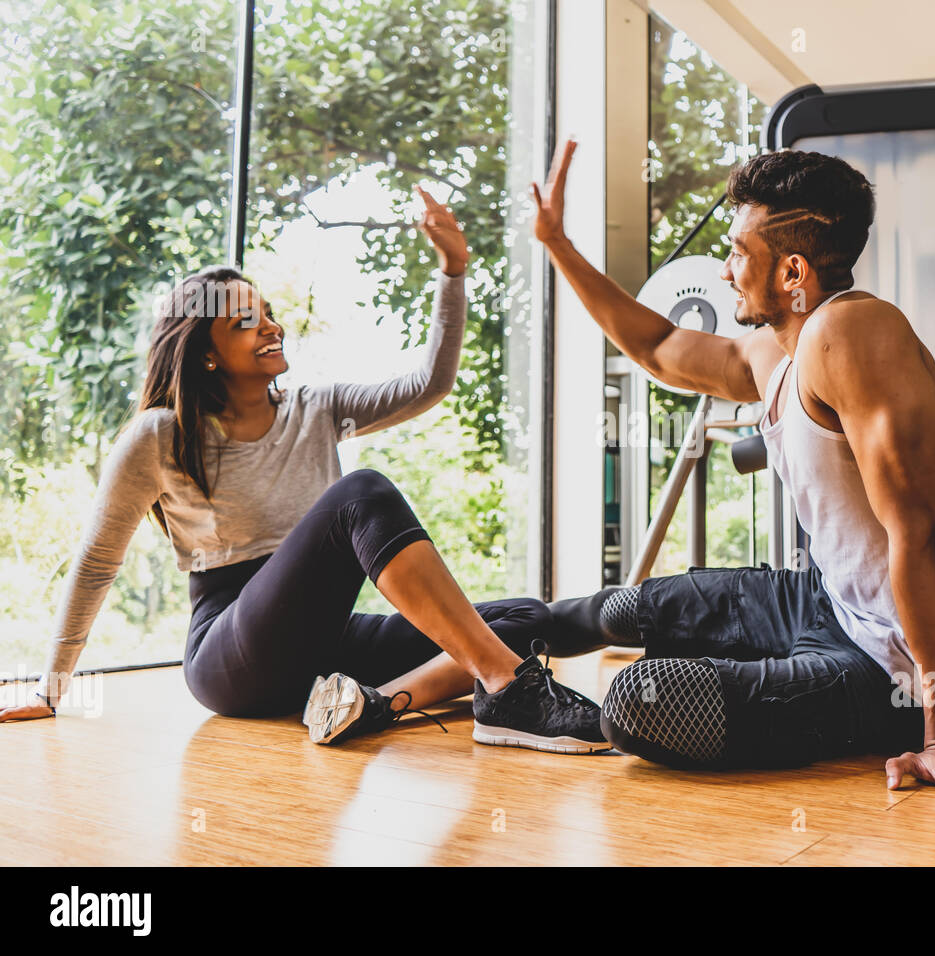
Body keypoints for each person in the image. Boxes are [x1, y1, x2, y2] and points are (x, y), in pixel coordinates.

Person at [0, 184, 607, 755]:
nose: (270, 327)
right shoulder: (161, 435)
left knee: (522, 618)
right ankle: (506, 689)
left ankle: (377, 705)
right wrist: (51, 689)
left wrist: (453, 271)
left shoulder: (316, 409)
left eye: (267, 312)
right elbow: (97, 561)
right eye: (245, 322)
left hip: (326, 647)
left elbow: (428, 385)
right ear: (206, 356)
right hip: (235, 657)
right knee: (360, 494)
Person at [534, 140, 935, 811]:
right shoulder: (777, 351)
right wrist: (558, 246)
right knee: (614, 608)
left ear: (792, 270)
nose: (724, 269)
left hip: (886, 667)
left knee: (639, 698)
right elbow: (658, 348)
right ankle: (425, 653)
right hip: (824, 602)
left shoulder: (853, 334)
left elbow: (927, 533)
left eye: (738, 251)